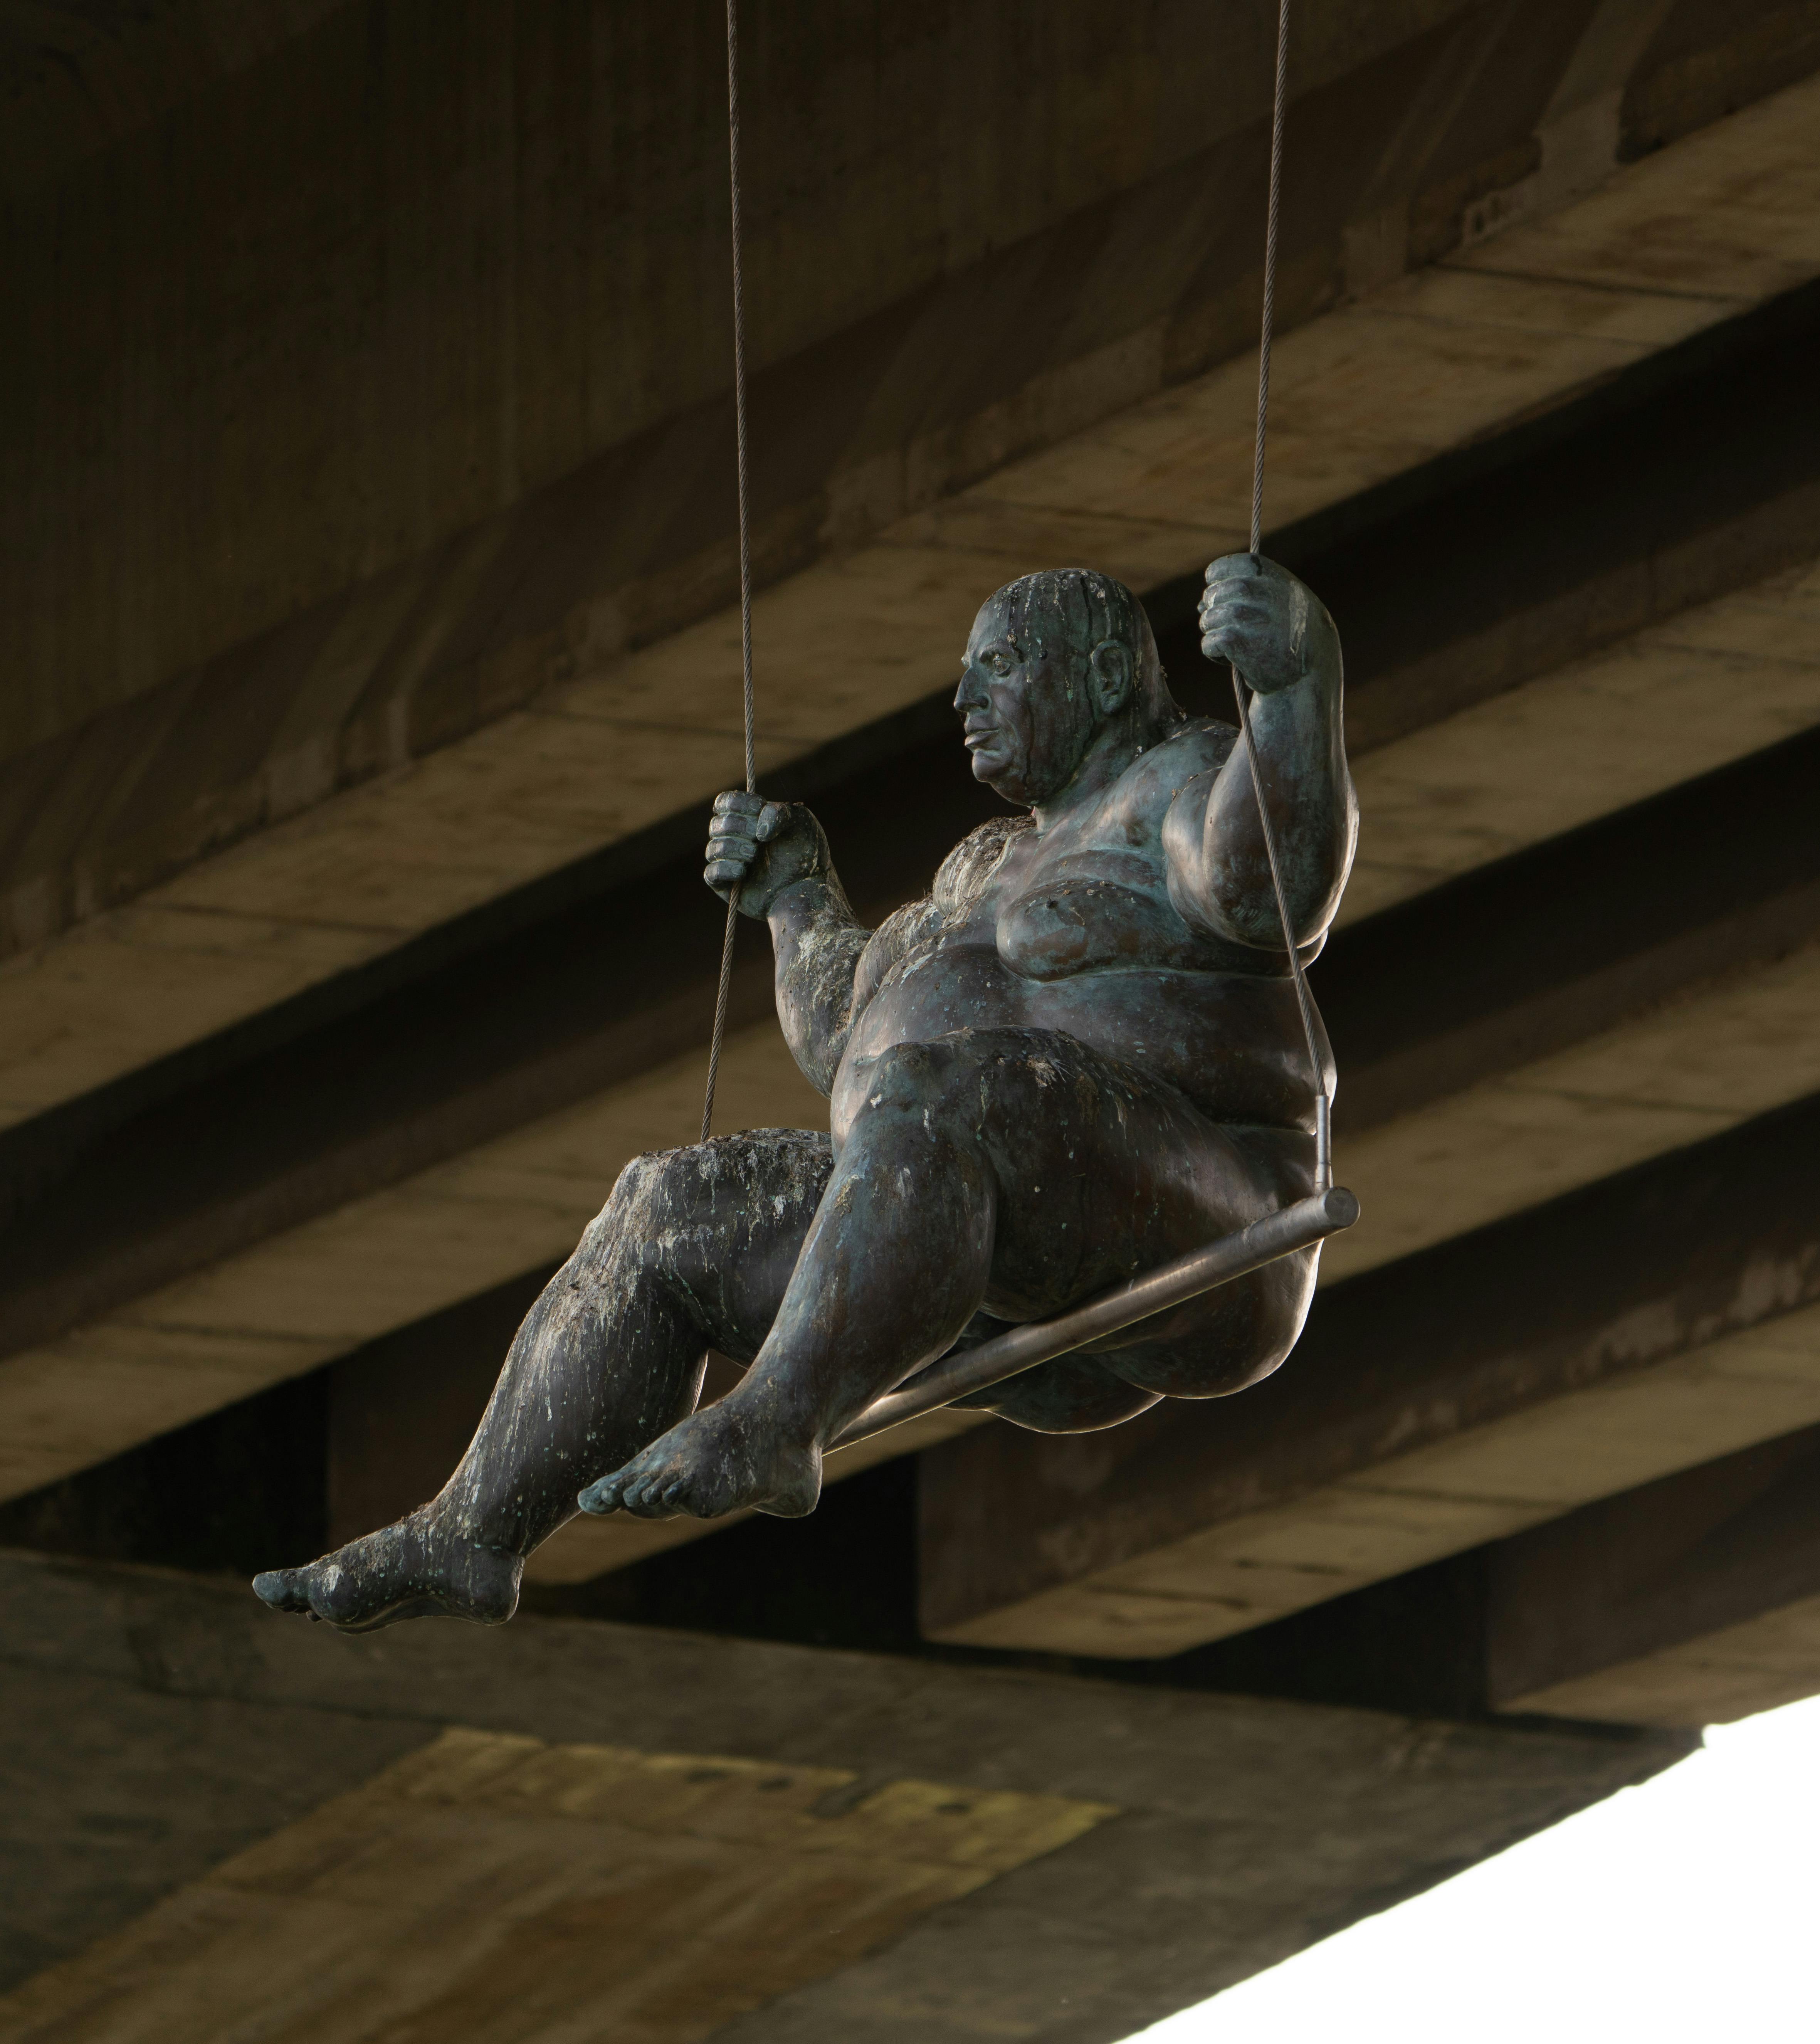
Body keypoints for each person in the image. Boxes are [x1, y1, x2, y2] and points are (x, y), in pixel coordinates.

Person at [254, 554, 1356, 1631]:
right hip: (980, 1246)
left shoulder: (1176, 780)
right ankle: (470, 1532)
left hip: (1197, 1221)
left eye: (1002, 665)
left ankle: (775, 1422)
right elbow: (851, 1045)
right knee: (668, 1204)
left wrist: (1295, 688)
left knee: (953, 1088)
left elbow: (1269, 893)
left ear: (1109, 675)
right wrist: (795, 899)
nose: (964, 698)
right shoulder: (980, 864)